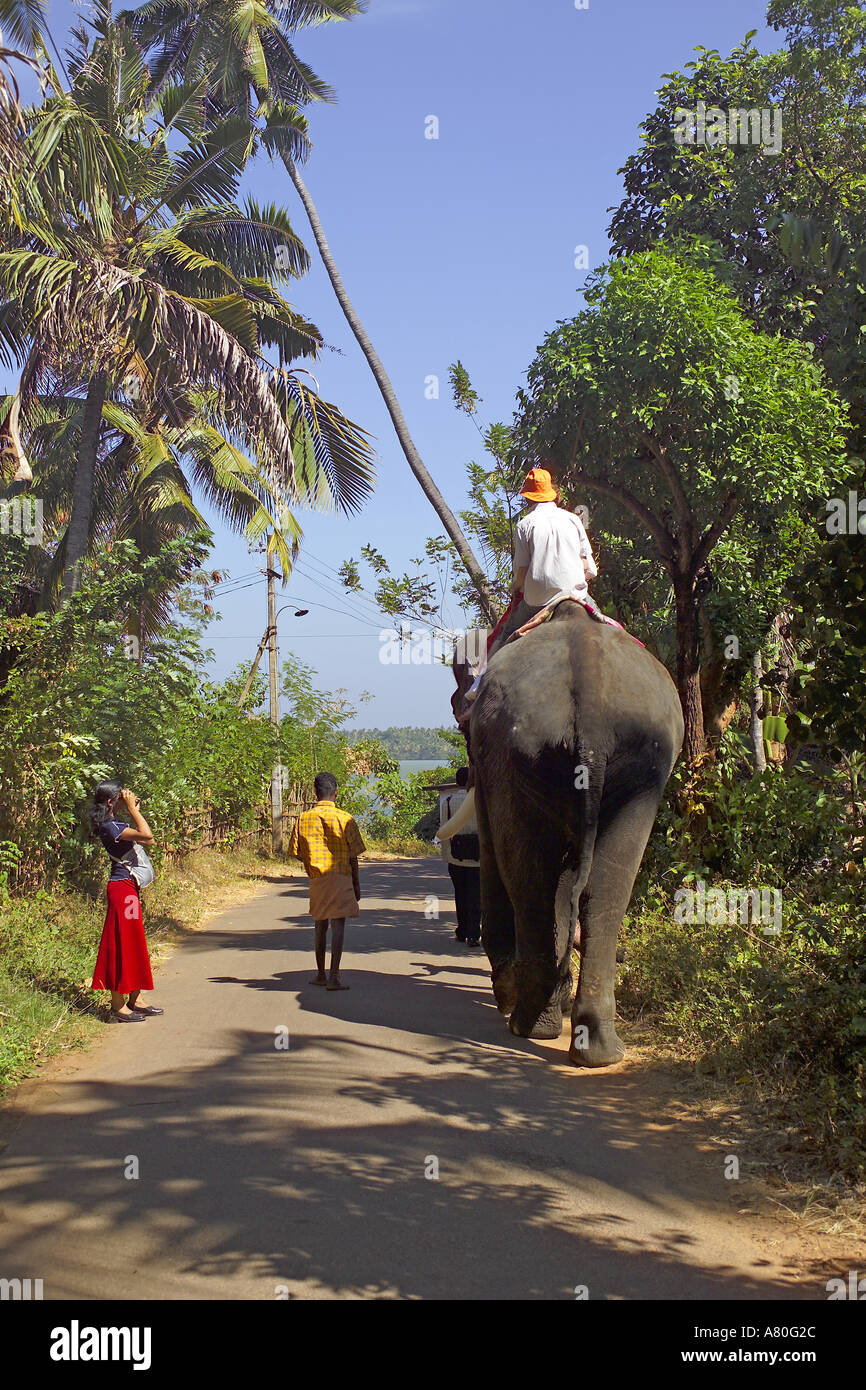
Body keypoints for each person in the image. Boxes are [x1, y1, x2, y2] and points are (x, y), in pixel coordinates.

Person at [489, 464, 597, 657]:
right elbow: (587, 565)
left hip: (537, 601)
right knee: (612, 627)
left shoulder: (524, 525)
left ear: (528, 497)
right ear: (552, 493)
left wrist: (515, 586)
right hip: (574, 594)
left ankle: (483, 676)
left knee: (505, 636)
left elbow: (522, 572)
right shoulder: (573, 519)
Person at [90, 782, 162, 1022]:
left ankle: (135, 999)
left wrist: (134, 810)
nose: (124, 801)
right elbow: (147, 835)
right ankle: (117, 1004)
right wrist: (134, 810)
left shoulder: (115, 825)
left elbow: (149, 842)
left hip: (129, 889)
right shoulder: (110, 828)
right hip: (122, 891)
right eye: (120, 799)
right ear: (111, 803)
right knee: (121, 944)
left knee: (134, 942)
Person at [289, 771, 365, 991]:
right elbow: (354, 854)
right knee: (338, 925)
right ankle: (334, 977)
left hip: (318, 878)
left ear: (315, 793)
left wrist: (312, 860)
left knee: (320, 925)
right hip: (341, 876)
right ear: (336, 793)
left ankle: (320, 974)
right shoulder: (345, 818)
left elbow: (296, 851)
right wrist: (356, 883)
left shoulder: (304, 818)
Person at [436, 767, 481, 947]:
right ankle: (473, 934)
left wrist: (447, 856)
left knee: (460, 894)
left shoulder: (447, 802)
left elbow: (444, 830)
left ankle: (462, 930)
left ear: (456, 782)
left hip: (456, 857)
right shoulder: (480, 801)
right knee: (476, 896)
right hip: (477, 859)